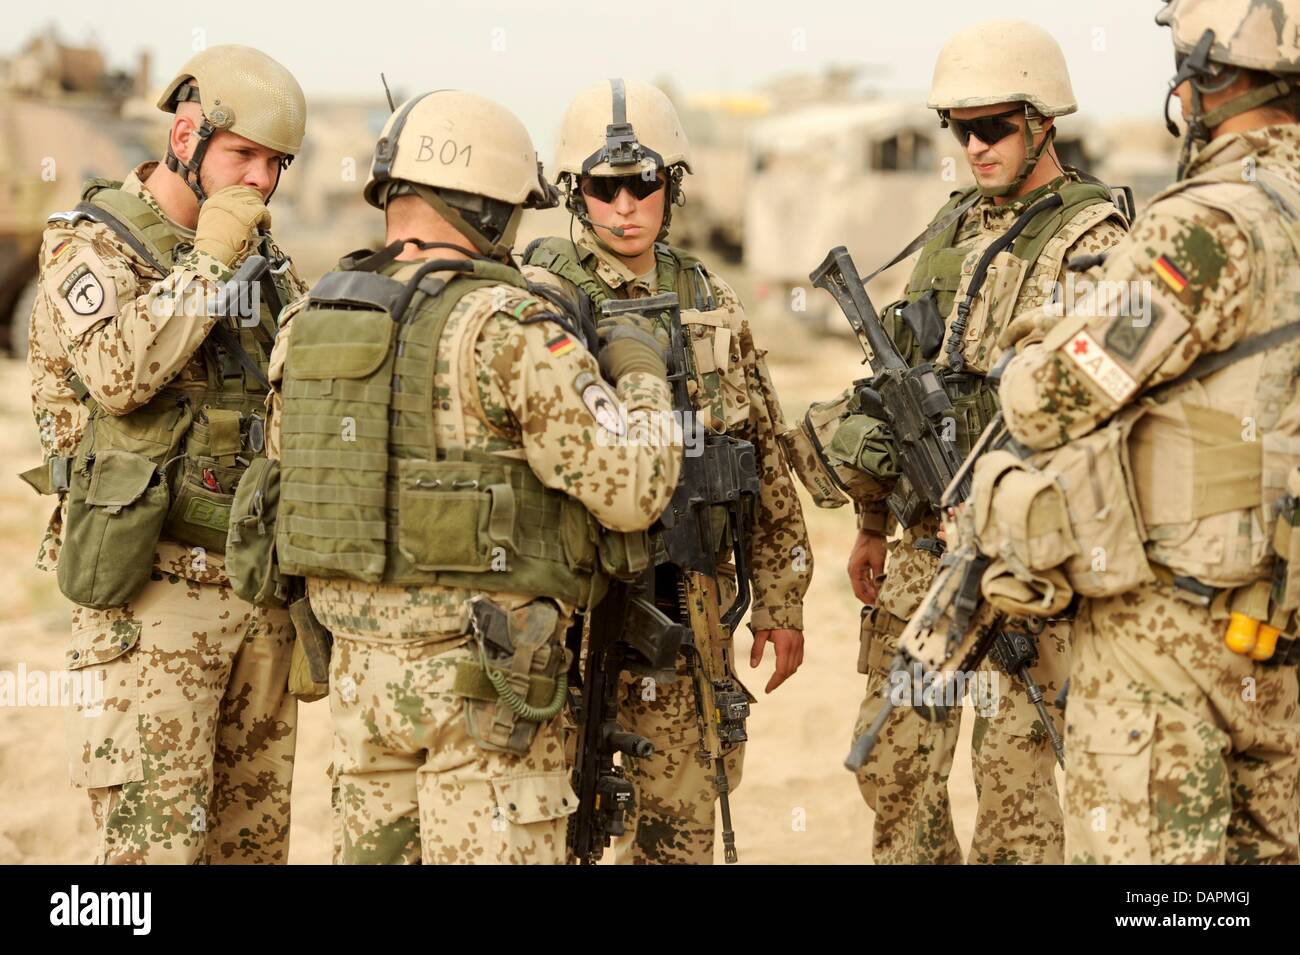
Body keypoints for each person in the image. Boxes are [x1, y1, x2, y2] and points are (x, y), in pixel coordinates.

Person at [262, 89, 681, 864]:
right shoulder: (505, 329)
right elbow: (632, 491)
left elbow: (291, 487)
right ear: (487, 210)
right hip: (487, 690)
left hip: (359, 681)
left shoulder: (308, 322)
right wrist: (641, 373)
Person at [994, 0, 1300, 863]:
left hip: (1170, 636)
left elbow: (1048, 399)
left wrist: (1036, 343)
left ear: (1209, 75)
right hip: (1278, 627)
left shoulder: (1203, 226)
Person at [822, 21, 1128, 864]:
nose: (975, 145)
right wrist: (874, 521)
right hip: (924, 543)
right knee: (892, 766)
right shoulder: (954, 225)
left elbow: (1095, 403)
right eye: (961, 128)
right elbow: (905, 376)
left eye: (993, 126)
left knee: (1016, 791)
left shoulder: (1092, 240)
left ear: (1043, 122)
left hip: (1021, 557)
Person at [23, 44, 309, 863]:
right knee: (152, 859)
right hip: (152, 603)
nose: (258, 178)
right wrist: (212, 259)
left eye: (274, 163)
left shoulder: (270, 262)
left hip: (255, 599)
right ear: (186, 134)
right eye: (242, 154)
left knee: (251, 851)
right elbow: (120, 373)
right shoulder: (93, 247)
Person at [524, 78, 811, 864]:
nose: (625, 204)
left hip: (690, 610)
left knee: (679, 829)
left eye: (642, 182)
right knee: (554, 825)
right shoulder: (538, 301)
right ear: (574, 192)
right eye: (604, 186)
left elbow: (763, 454)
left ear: (671, 185)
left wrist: (780, 596)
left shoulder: (707, 297)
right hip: (571, 615)